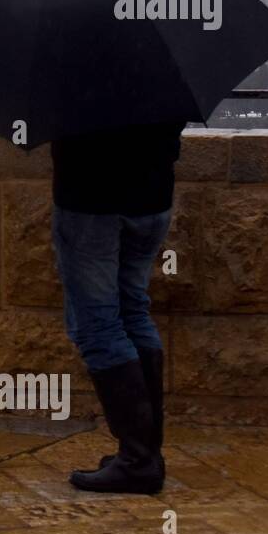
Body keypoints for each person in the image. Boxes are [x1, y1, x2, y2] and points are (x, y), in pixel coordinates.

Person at [50, 120, 185, 494]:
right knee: (133, 311)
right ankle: (145, 453)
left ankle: (138, 460)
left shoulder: (72, 66)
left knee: (99, 327)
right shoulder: (163, 64)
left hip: (92, 200)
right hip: (152, 197)